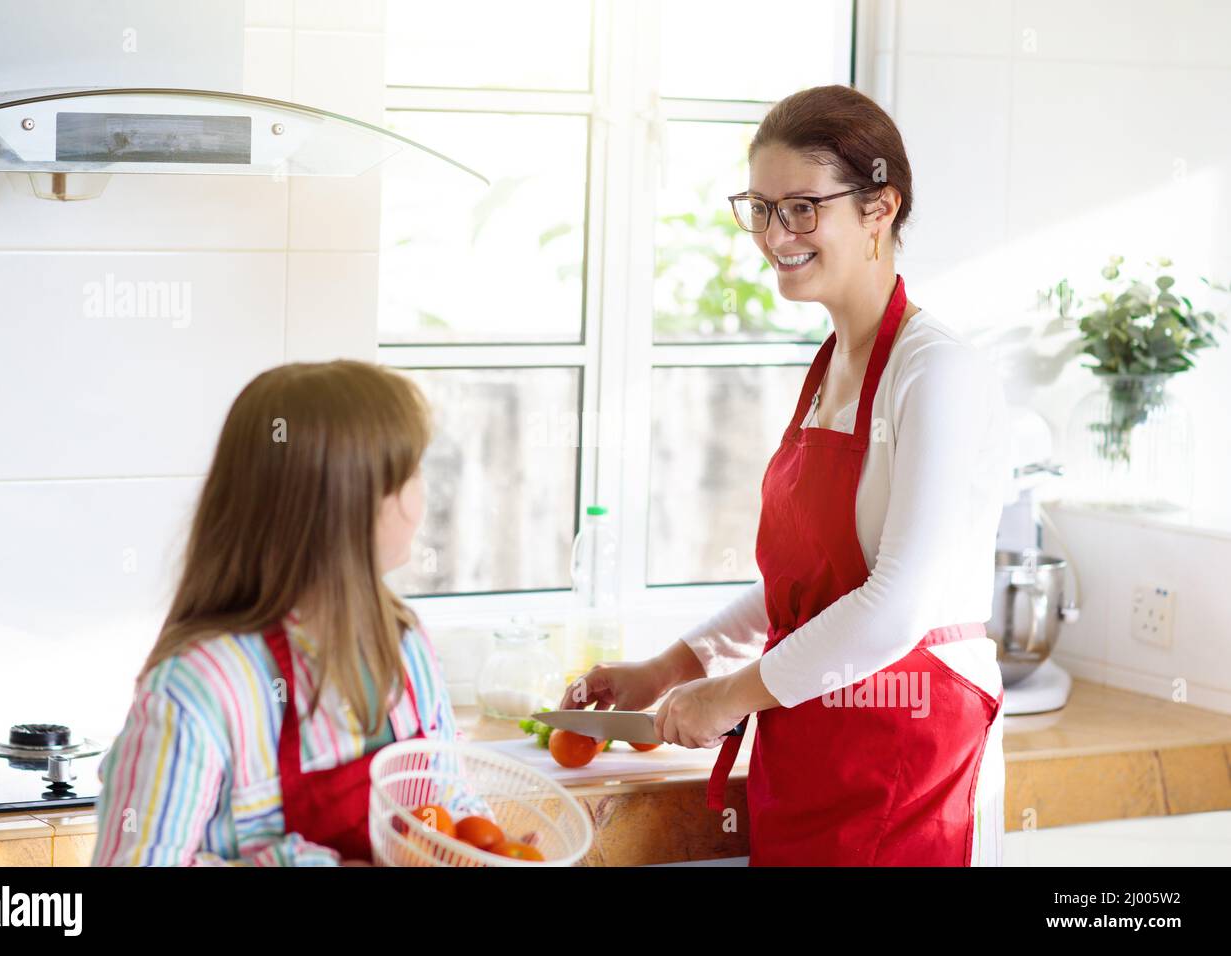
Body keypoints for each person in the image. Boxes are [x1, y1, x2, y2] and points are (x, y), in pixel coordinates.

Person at [564, 85, 1010, 866]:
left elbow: (893, 606)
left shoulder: (936, 372)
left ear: (880, 208)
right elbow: (809, 585)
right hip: (812, 744)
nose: (776, 235)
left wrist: (729, 695)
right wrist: (672, 667)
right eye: (762, 208)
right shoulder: (832, 364)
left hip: (905, 752)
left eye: (803, 207)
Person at [93, 360, 467, 865]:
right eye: (412, 472)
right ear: (347, 506)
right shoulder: (201, 689)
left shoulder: (403, 641)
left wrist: (481, 845)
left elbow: (447, 800)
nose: (424, 493)